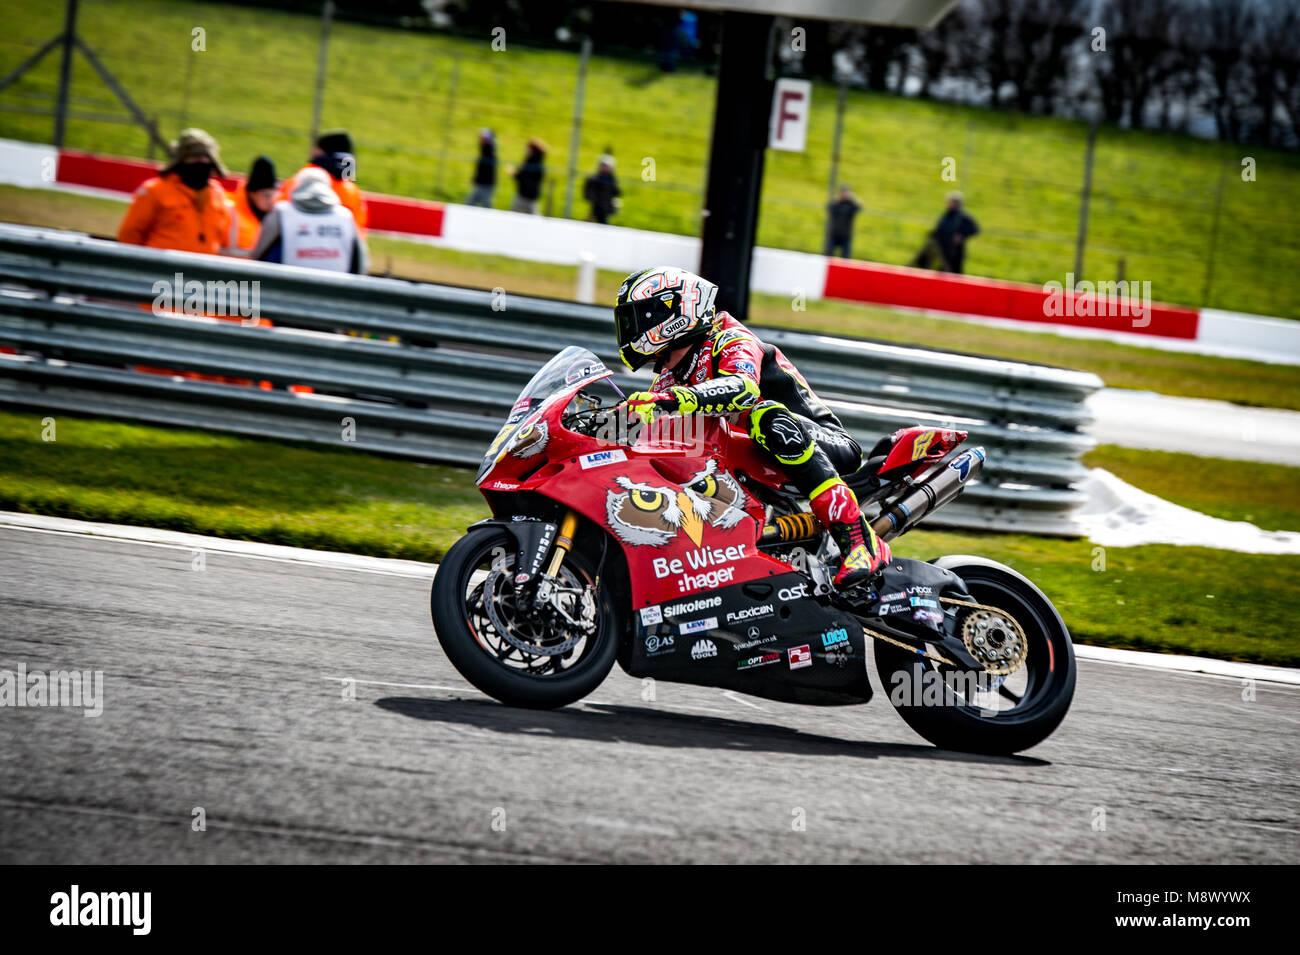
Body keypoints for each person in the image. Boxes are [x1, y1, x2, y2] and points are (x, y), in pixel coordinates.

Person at [614, 266, 891, 590]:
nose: (633, 329)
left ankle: (860, 543)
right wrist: (601, 422)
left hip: (826, 444)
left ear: (675, 310)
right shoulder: (670, 376)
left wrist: (674, 401)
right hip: (754, 461)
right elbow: (642, 422)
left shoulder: (730, 338)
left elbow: (743, 388)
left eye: (641, 317)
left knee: (766, 418)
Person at [117, 128, 232, 255]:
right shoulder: (155, 190)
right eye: (195, 157)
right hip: (171, 270)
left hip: (202, 271)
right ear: (181, 160)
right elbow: (130, 233)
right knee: (178, 276)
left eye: (206, 157)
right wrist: (142, 266)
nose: (202, 162)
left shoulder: (218, 194)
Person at [252, 166, 368, 275]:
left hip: (285, 287)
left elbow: (258, 254)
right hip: (338, 290)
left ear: (297, 186)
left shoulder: (281, 212)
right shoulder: (346, 216)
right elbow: (360, 263)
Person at [279, 128, 368, 235]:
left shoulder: (301, 181)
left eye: (316, 147)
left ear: (323, 152)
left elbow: (279, 215)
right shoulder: (353, 192)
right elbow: (358, 231)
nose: (311, 151)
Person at [912, 190, 978, 273]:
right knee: (928, 263)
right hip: (941, 247)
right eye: (950, 201)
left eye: (954, 202)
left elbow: (974, 229)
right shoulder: (947, 214)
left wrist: (961, 234)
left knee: (954, 271)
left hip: (954, 250)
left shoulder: (962, 216)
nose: (950, 203)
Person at [229, 155, 277, 254]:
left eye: (274, 195)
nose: (271, 201)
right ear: (252, 194)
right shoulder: (232, 213)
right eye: (267, 195)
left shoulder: (274, 214)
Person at [823, 184, 861, 258]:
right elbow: (828, 207)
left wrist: (853, 198)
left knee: (845, 257)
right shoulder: (836, 203)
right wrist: (837, 199)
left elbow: (859, 207)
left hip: (846, 235)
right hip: (834, 234)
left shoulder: (851, 204)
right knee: (828, 255)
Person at [582, 154, 621, 224]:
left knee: (600, 221)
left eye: (607, 166)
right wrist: (594, 199)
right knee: (596, 220)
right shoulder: (595, 178)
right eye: (603, 166)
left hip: (605, 206)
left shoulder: (611, 179)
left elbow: (616, 191)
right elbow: (588, 191)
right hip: (598, 206)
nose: (605, 168)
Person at [511, 138, 546, 214]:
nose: (526, 150)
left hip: (527, 195)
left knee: (515, 215)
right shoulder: (533, 161)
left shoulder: (534, 164)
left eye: (528, 148)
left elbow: (525, 178)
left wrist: (515, 174)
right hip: (527, 194)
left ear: (532, 150)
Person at [467, 128, 497, 207]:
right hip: (482, 183)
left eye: (483, 138)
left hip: (486, 184)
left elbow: (485, 171)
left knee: (484, 205)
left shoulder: (489, 153)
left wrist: (476, 179)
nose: (480, 139)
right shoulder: (484, 151)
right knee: (471, 203)